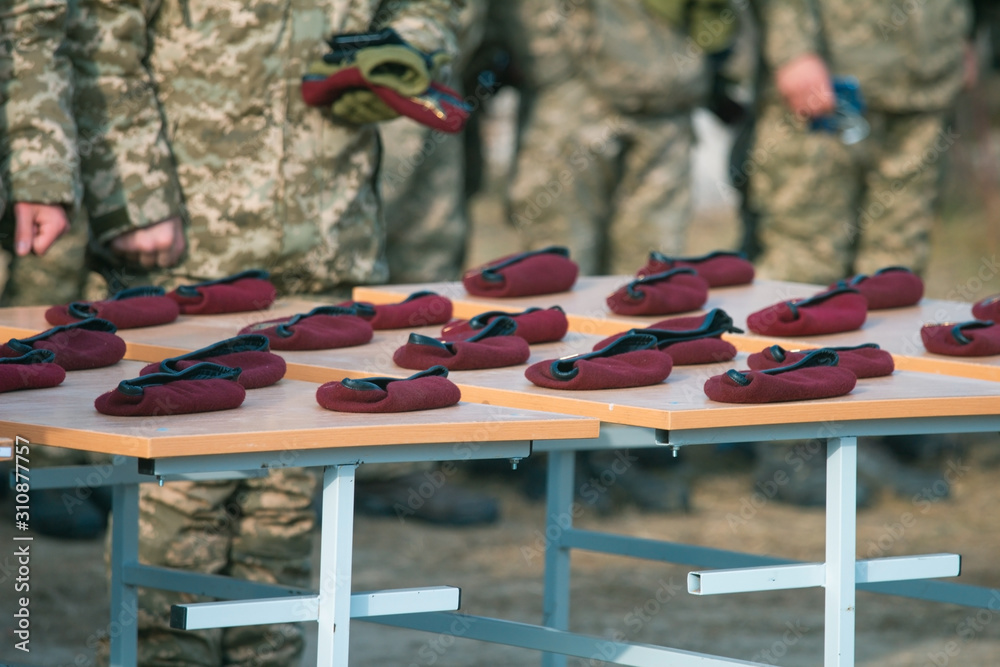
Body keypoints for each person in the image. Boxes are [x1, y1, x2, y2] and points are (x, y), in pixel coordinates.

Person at [64, 1, 463, 665]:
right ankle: (161, 655)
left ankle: (267, 653)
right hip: (192, 251)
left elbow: (431, 10)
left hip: (328, 242)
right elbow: (104, 37)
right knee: (179, 492)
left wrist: (399, 53)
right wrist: (133, 197)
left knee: (289, 497)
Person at [743, 0, 975, 506]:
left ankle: (869, 433)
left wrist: (963, 34)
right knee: (805, 273)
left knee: (895, 276)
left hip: (922, 82)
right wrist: (793, 50)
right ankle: (786, 445)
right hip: (830, 82)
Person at [502, 0, 736, 276]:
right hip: (576, 102)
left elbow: (715, 15)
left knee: (651, 269)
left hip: (665, 108)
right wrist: (555, 74)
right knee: (560, 262)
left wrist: (703, 73)